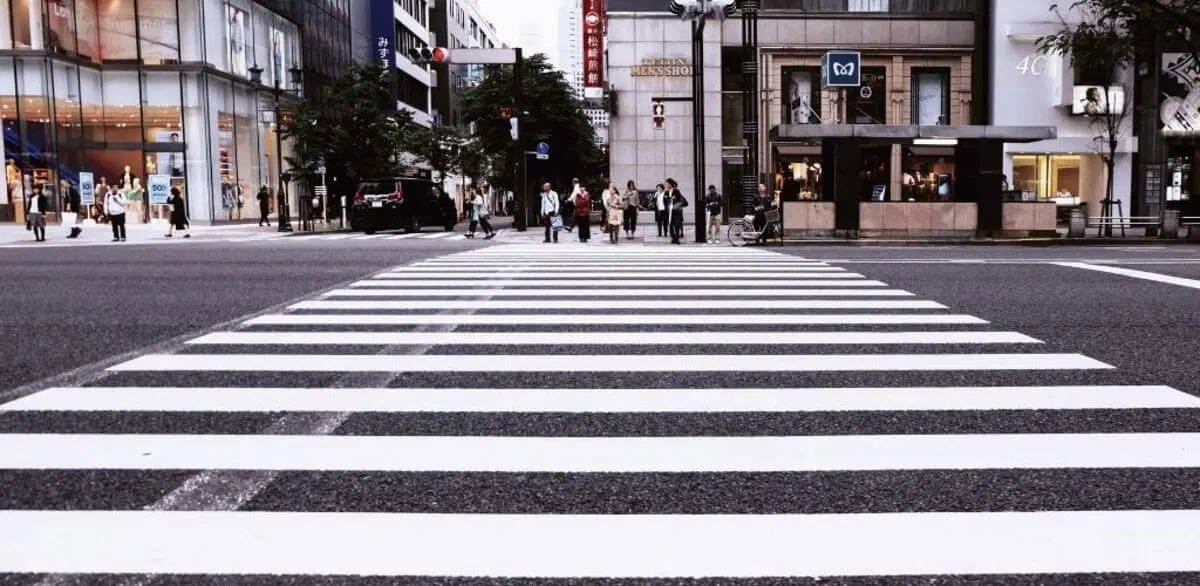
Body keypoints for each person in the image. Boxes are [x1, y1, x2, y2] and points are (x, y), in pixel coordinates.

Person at [665, 178, 688, 245]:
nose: (666, 185)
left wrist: (675, 204)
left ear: (670, 184)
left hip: (676, 211)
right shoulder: (666, 192)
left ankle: (677, 239)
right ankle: (673, 238)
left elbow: (678, 200)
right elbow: (665, 201)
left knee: (677, 225)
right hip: (669, 211)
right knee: (670, 225)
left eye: (667, 183)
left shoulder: (676, 191)